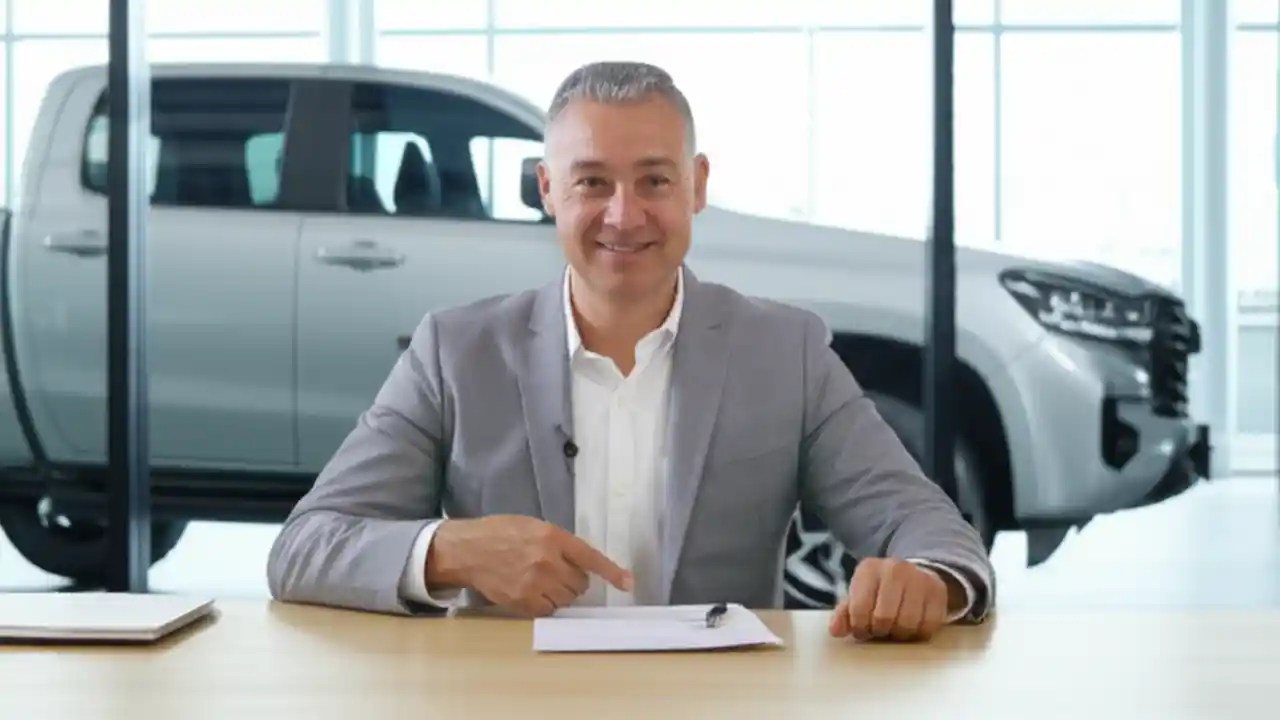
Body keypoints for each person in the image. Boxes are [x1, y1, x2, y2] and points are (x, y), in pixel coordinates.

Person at [267, 60, 995, 642]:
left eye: (654, 180)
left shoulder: (786, 350)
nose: (624, 215)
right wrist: (448, 552)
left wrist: (927, 579)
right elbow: (304, 548)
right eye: (592, 182)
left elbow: (928, 529)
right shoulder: (453, 352)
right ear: (548, 190)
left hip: (715, 704)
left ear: (697, 186)